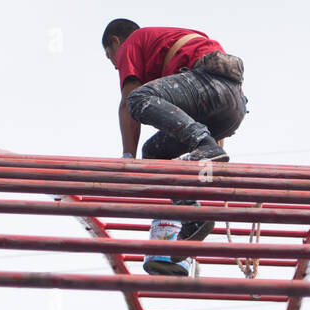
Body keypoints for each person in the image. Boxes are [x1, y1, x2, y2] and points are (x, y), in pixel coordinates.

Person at [100, 19, 248, 275]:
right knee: (155, 153)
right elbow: (214, 141)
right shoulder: (175, 50)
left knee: (139, 98)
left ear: (115, 42)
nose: (115, 65)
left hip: (211, 89)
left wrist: (127, 160)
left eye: (110, 57)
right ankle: (192, 216)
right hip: (232, 108)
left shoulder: (132, 42)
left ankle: (201, 146)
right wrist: (209, 171)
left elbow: (129, 102)